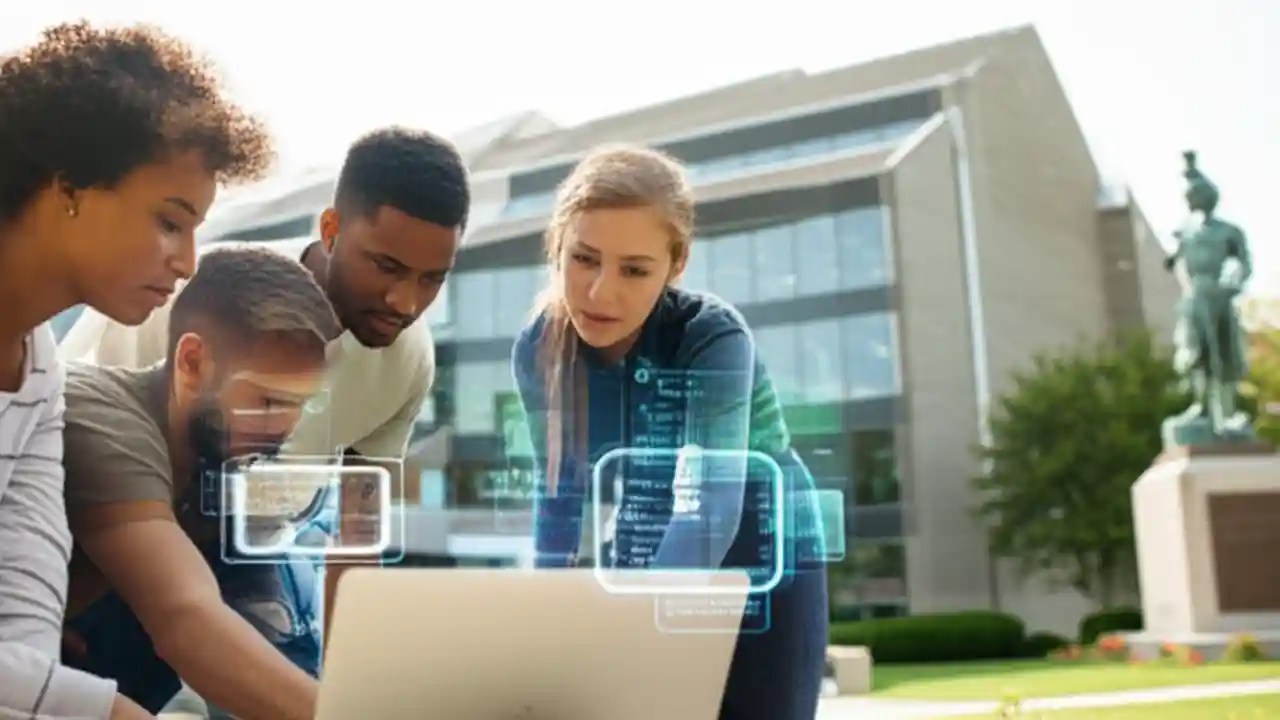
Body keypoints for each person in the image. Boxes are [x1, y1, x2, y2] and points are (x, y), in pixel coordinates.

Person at [59, 125, 471, 641]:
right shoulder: (199, 301)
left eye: (432, 278)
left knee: (291, 654)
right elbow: (81, 468)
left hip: (250, 546)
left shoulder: (409, 360)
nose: (406, 302)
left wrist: (347, 675)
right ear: (330, 228)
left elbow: (357, 533)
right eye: (386, 266)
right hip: (92, 535)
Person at [0, 21, 271, 720]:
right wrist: (107, 711)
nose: (186, 261)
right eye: (170, 221)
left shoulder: (39, 371)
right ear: (71, 185)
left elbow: (20, 616)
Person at [511, 145, 829, 720]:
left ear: (675, 264)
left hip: (764, 546)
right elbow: (560, 500)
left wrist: (639, 631)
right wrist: (543, 628)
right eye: (584, 259)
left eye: (634, 269)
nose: (600, 292)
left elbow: (710, 509)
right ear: (557, 248)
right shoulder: (539, 349)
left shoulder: (712, 337)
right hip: (648, 533)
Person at [62, 247, 342, 719]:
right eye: (268, 401)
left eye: (302, 404)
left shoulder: (220, 462)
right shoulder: (102, 417)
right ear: (192, 362)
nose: (284, 428)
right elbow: (185, 621)